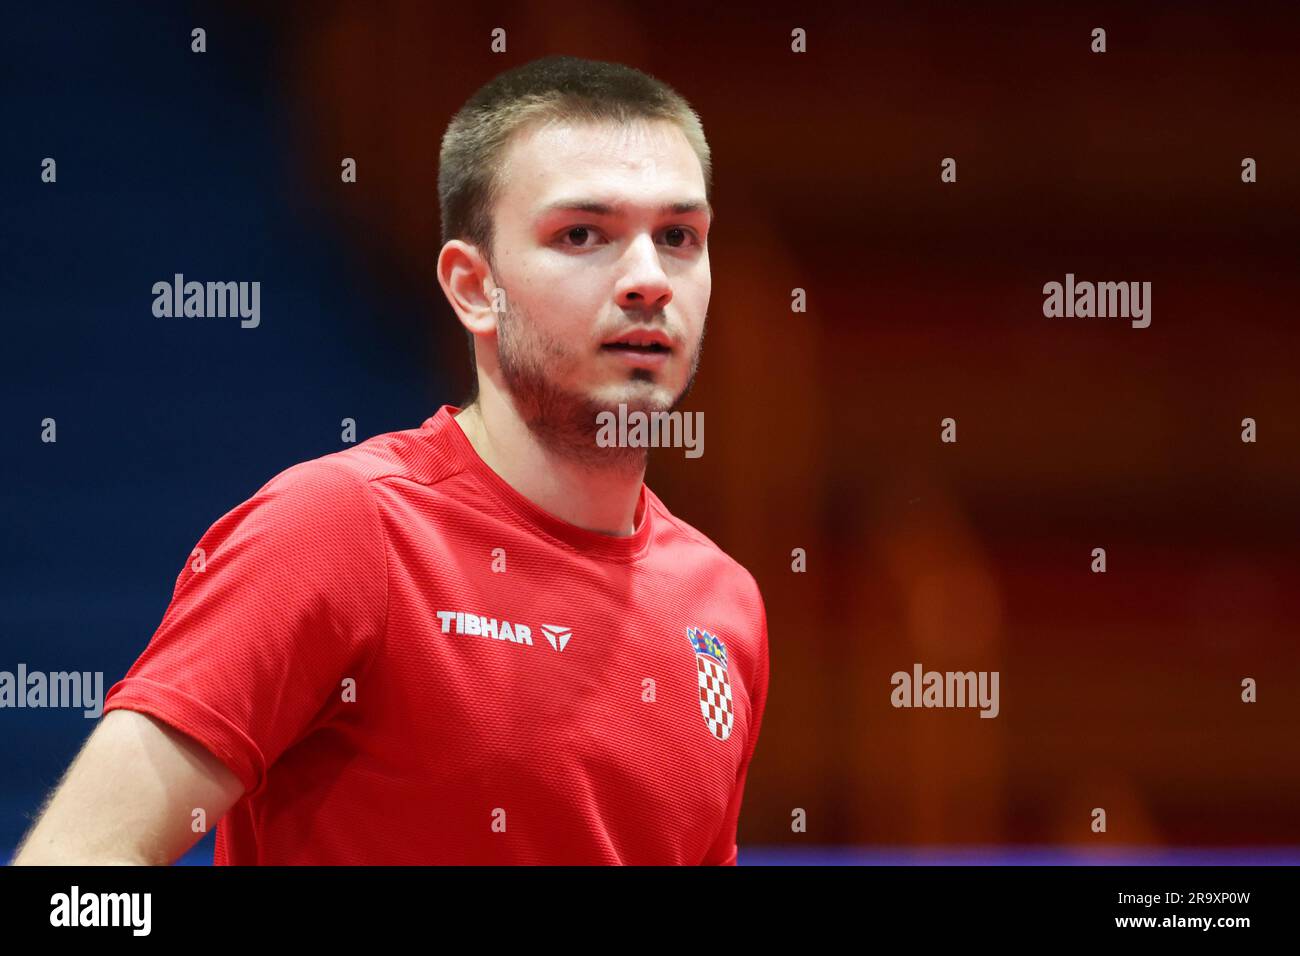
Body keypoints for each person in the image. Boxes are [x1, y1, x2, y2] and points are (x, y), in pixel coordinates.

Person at [13, 54, 768, 865]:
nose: (648, 279)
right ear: (475, 287)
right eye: (582, 234)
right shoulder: (339, 529)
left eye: (679, 237)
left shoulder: (725, 605)